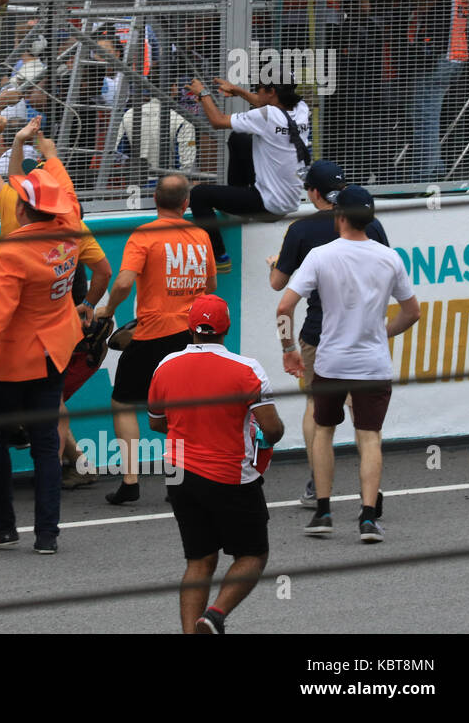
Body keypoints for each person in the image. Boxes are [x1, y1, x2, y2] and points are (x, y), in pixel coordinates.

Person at [277, 186, 421, 543]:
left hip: (332, 361)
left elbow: (284, 307)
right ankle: (368, 519)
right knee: (369, 436)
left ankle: (324, 511)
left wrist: (288, 348)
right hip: (372, 363)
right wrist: (383, 331)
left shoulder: (321, 256)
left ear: (339, 217)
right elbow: (412, 312)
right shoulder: (390, 258)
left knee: (324, 430)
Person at [148, 293, 284, 634]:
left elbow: (156, 422)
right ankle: (215, 615)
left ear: (189, 327)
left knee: (199, 561)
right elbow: (272, 429)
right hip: (230, 475)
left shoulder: (165, 365)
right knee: (252, 555)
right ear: (226, 329)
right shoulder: (247, 369)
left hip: (180, 473)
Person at [0, 167, 84, 554]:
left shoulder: (14, 251)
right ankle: (47, 535)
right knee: (46, 446)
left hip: (11, 362)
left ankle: (2, 527)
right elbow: (67, 200)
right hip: (54, 354)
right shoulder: (70, 230)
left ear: (21, 209)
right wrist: (49, 162)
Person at [267, 161, 388, 510]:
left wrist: (275, 263)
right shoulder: (372, 225)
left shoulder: (301, 229)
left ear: (313, 193)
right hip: (365, 331)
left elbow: (279, 285)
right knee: (365, 419)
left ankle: (316, 483)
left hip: (319, 331)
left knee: (316, 407)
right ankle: (370, 494)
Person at [95, 174, 215, 505]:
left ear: (154, 199)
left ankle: (131, 480)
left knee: (122, 401)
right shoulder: (200, 236)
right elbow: (211, 287)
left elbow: (122, 283)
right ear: (186, 203)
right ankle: (183, 477)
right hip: (191, 335)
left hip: (153, 333)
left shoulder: (146, 235)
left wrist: (107, 309)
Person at [188, 74, 311, 271]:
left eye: (259, 88)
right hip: (288, 199)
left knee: (198, 194)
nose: (256, 92)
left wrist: (203, 94)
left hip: (268, 205)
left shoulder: (267, 116)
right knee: (239, 139)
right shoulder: (300, 108)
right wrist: (237, 91)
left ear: (271, 93)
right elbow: (262, 101)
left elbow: (218, 121)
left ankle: (220, 257)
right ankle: (235, 195)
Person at [409, 0, 469, 183]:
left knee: (423, 114)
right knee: (429, 113)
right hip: (455, 52)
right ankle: (434, 168)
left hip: (439, 53)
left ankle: (424, 176)